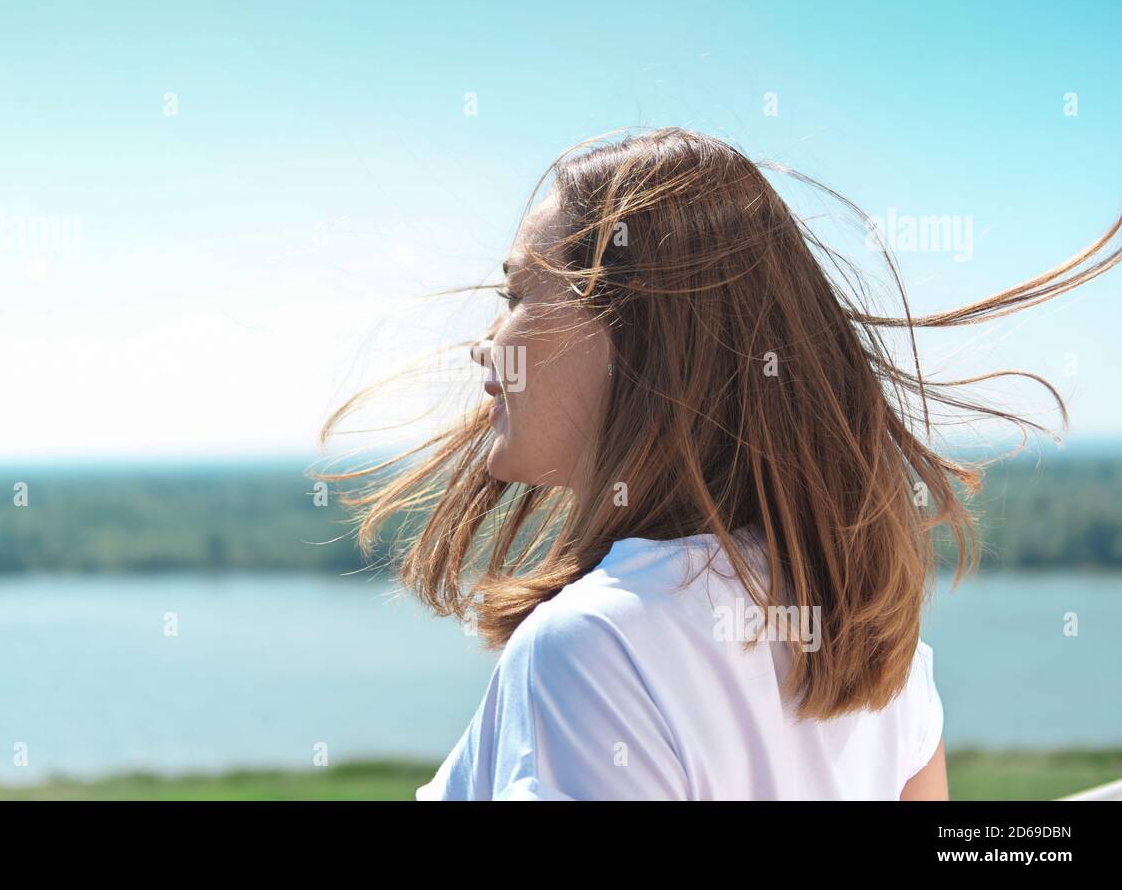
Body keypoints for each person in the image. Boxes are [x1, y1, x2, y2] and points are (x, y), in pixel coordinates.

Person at [315, 127, 1121, 800]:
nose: (485, 345)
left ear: (630, 336)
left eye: (518, 294)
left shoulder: (593, 647)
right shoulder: (866, 635)